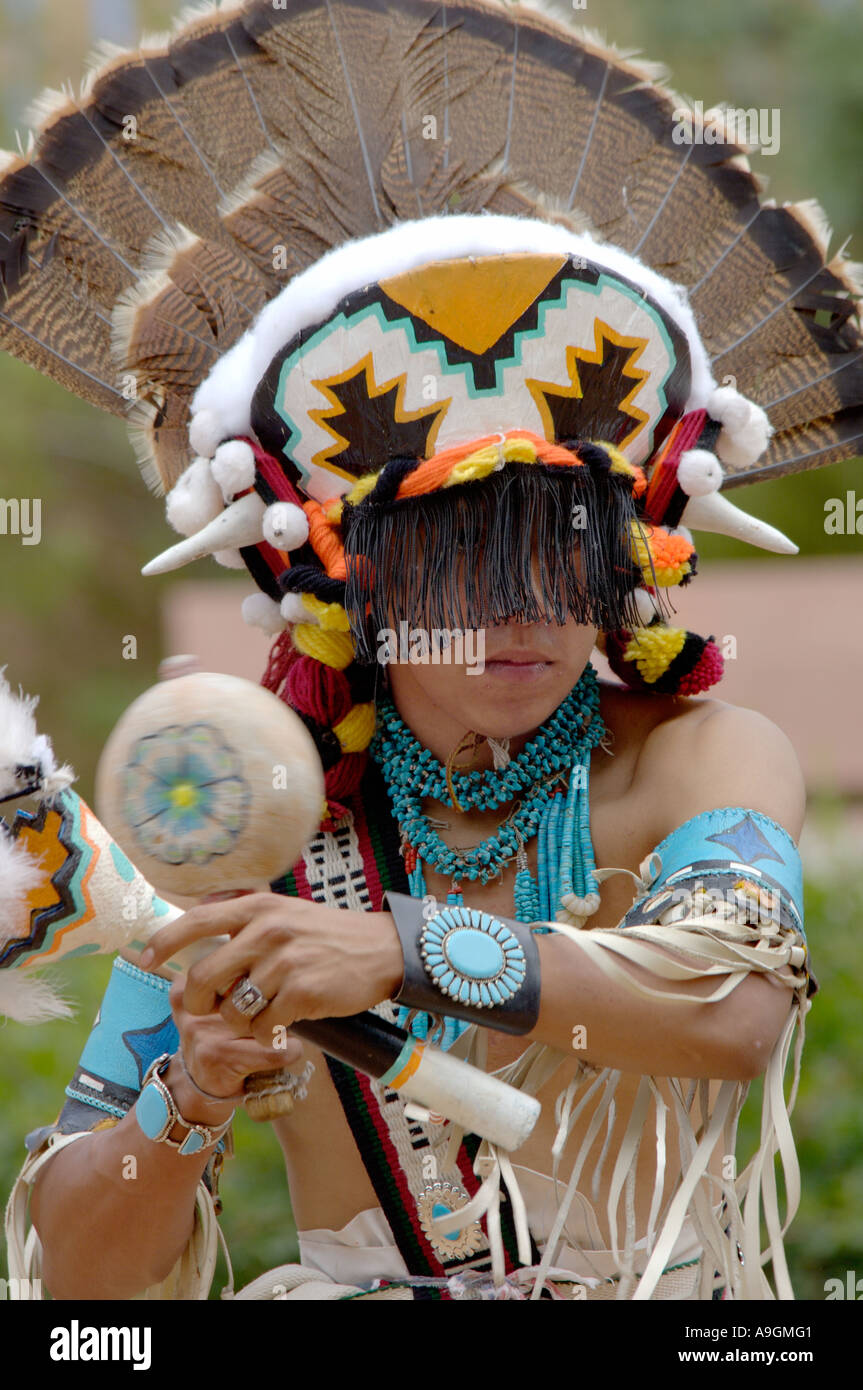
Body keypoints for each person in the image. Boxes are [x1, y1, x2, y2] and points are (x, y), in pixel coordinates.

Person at [2, 1, 852, 1302]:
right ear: (348, 584)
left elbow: (733, 1011)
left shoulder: (700, 761)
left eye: (565, 555)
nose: (524, 611)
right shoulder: (240, 829)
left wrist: (390, 949)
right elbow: (81, 1300)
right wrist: (194, 1092)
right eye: (465, 566)